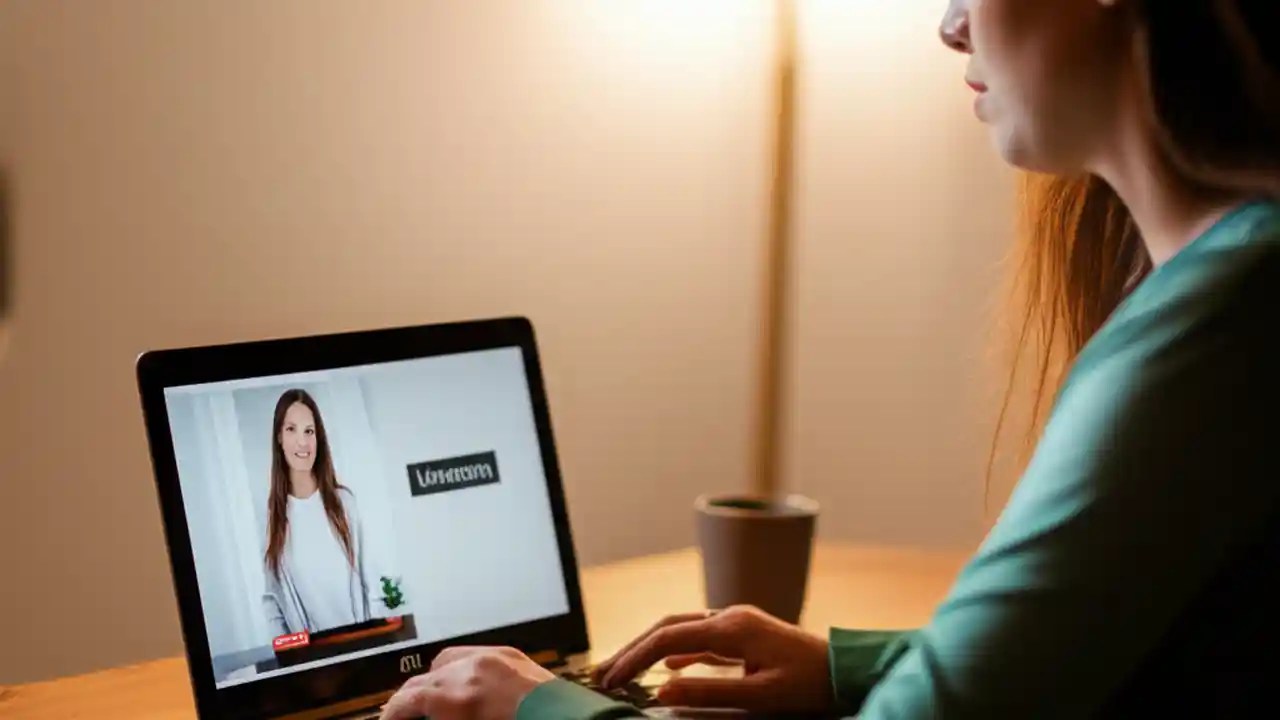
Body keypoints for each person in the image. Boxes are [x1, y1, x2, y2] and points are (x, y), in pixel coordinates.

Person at [381, 0, 1279, 717]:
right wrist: (855, 673)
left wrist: (546, 711)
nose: (950, 23)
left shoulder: (1220, 322)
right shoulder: (1236, 281)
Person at [263, 388, 372, 637]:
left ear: (318, 438)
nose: (302, 442)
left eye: (309, 431)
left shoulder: (345, 502)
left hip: (361, 645)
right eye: (291, 429)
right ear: (279, 437)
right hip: (313, 661)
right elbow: (271, 601)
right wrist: (288, 658)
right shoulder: (273, 517)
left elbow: (371, 577)